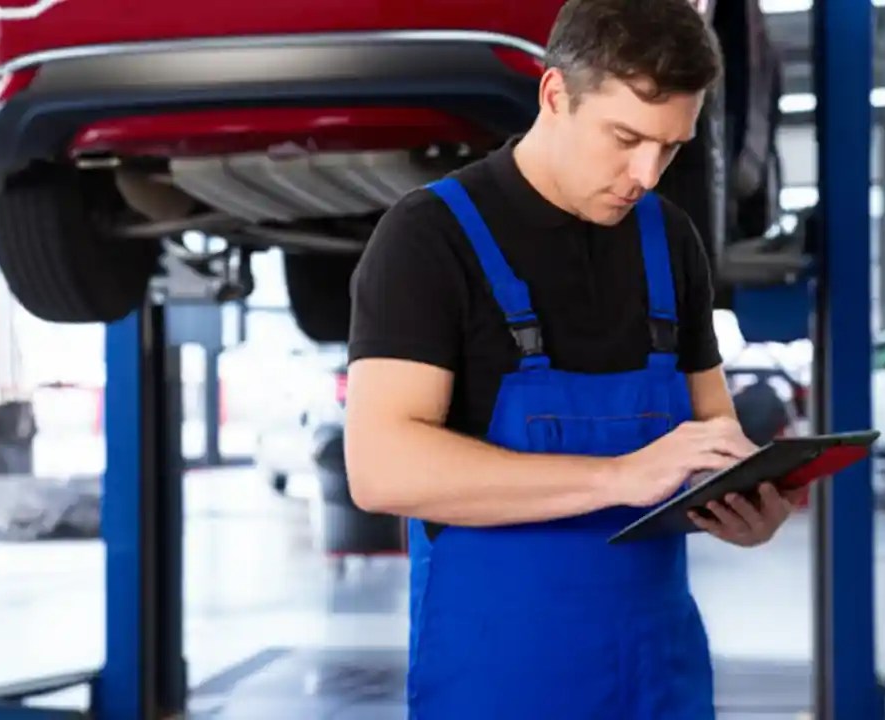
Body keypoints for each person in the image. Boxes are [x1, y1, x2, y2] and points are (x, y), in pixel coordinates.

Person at [344, 0, 801, 717]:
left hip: (659, 679)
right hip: (501, 685)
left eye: (671, 147)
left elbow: (712, 436)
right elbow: (381, 469)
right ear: (555, 94)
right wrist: (618, 477)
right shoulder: (429, 238)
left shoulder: (670, 241)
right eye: (626, 137)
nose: (646, 173)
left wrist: (744, 502)